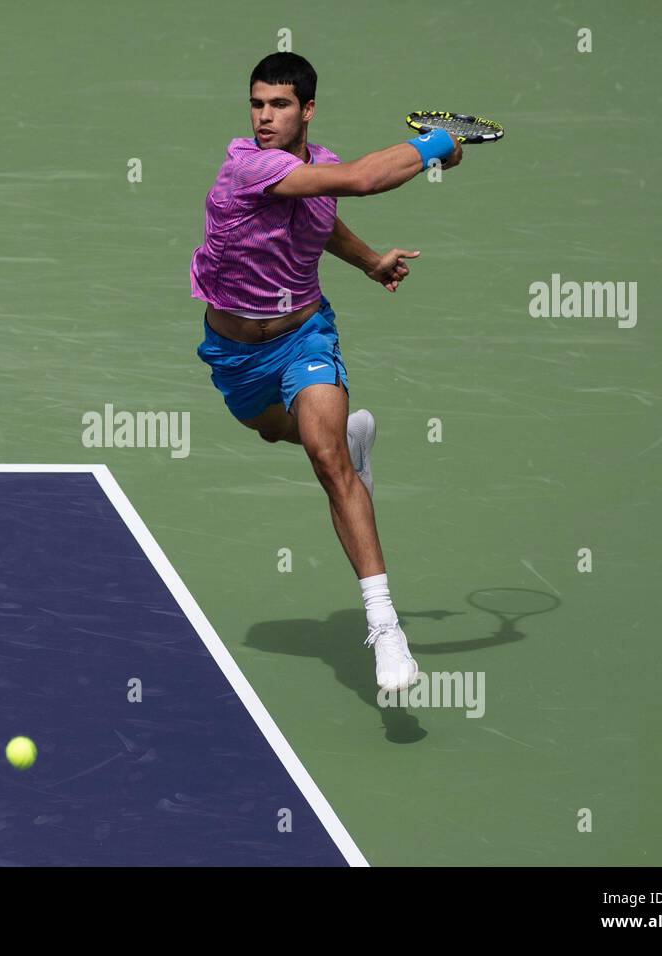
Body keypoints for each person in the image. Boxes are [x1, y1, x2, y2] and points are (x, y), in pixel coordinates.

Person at [190, 52, 462, 691]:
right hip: (235, 353)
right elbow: (364, 180)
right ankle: (350, 434)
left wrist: (368, 261)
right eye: (257, 104)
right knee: (272, 430)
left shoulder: (314, 166)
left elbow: (324, 217)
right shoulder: (248, 166)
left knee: (327, 458)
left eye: (279, 105)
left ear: (306, 110)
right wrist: (441, 143)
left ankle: (385, 626)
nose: (264, 117)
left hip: (305, 335)